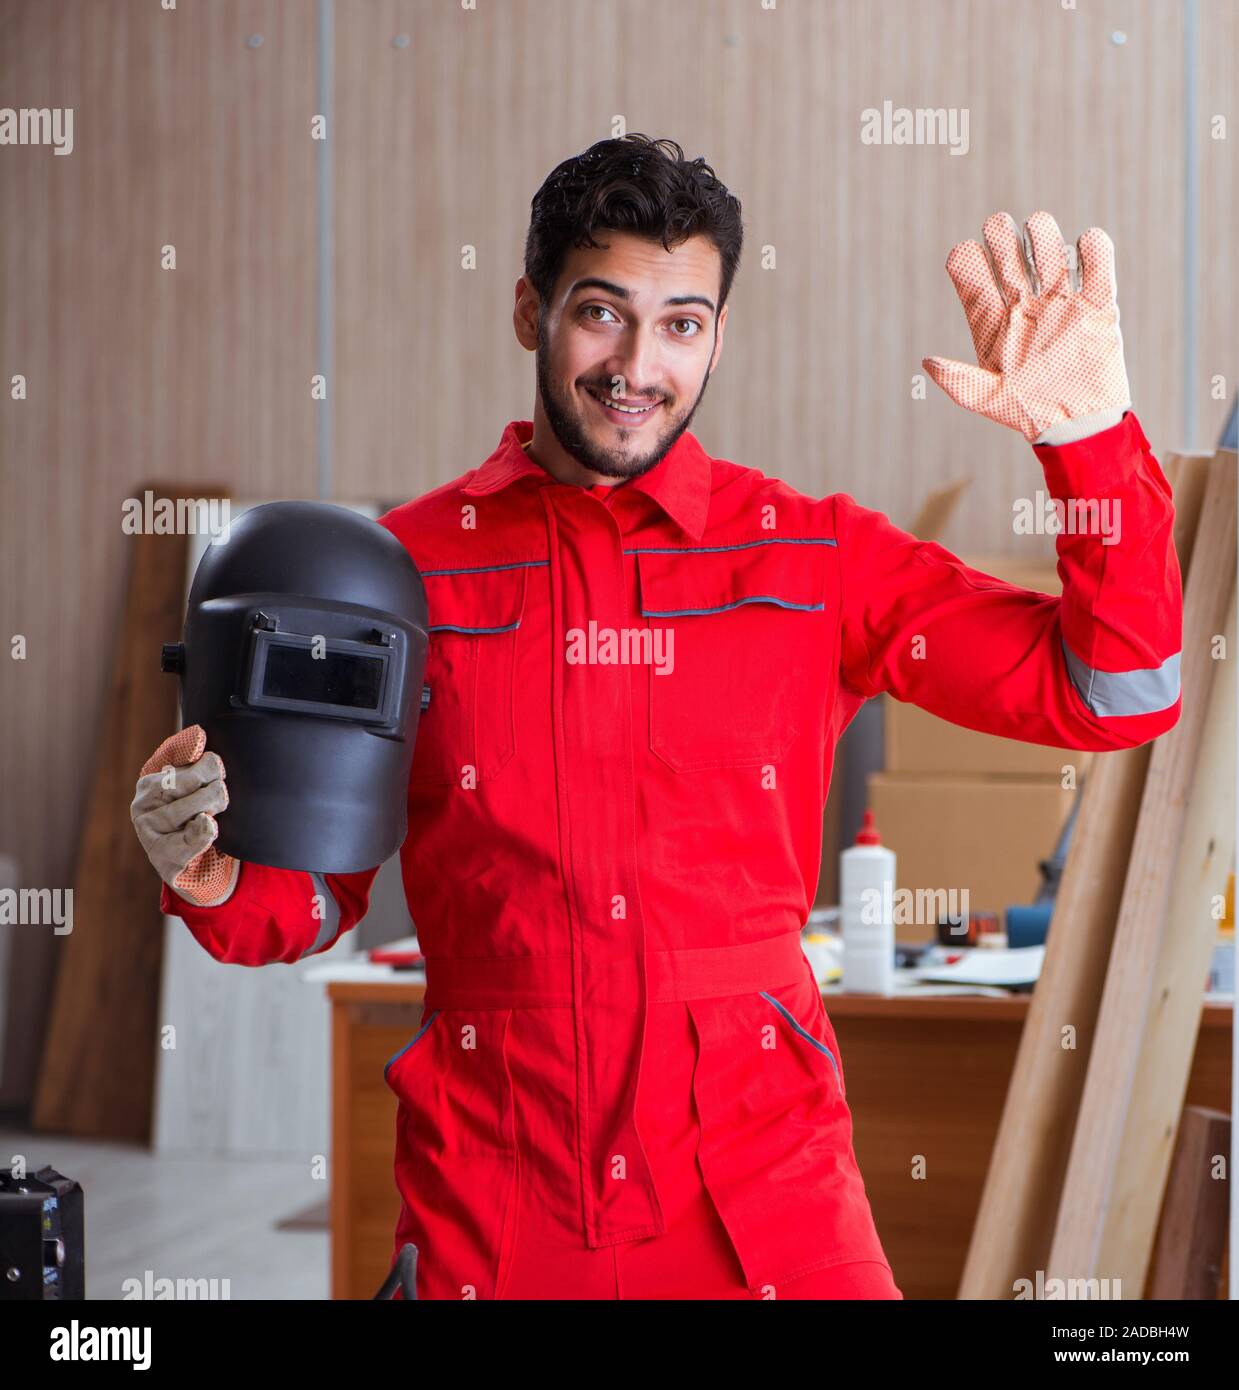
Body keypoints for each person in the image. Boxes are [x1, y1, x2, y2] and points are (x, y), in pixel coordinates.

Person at [131, 134, 1182, 1300]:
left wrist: (1087, 446)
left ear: (717, 335)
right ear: (530, 312)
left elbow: (1114, 690)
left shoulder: (810, 556)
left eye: (682, 322)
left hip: (767, 1193)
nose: (638, 365)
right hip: (502, 1187)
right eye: (602, 313)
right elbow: (320, 890)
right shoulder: (404, 574)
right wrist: (212, 868)